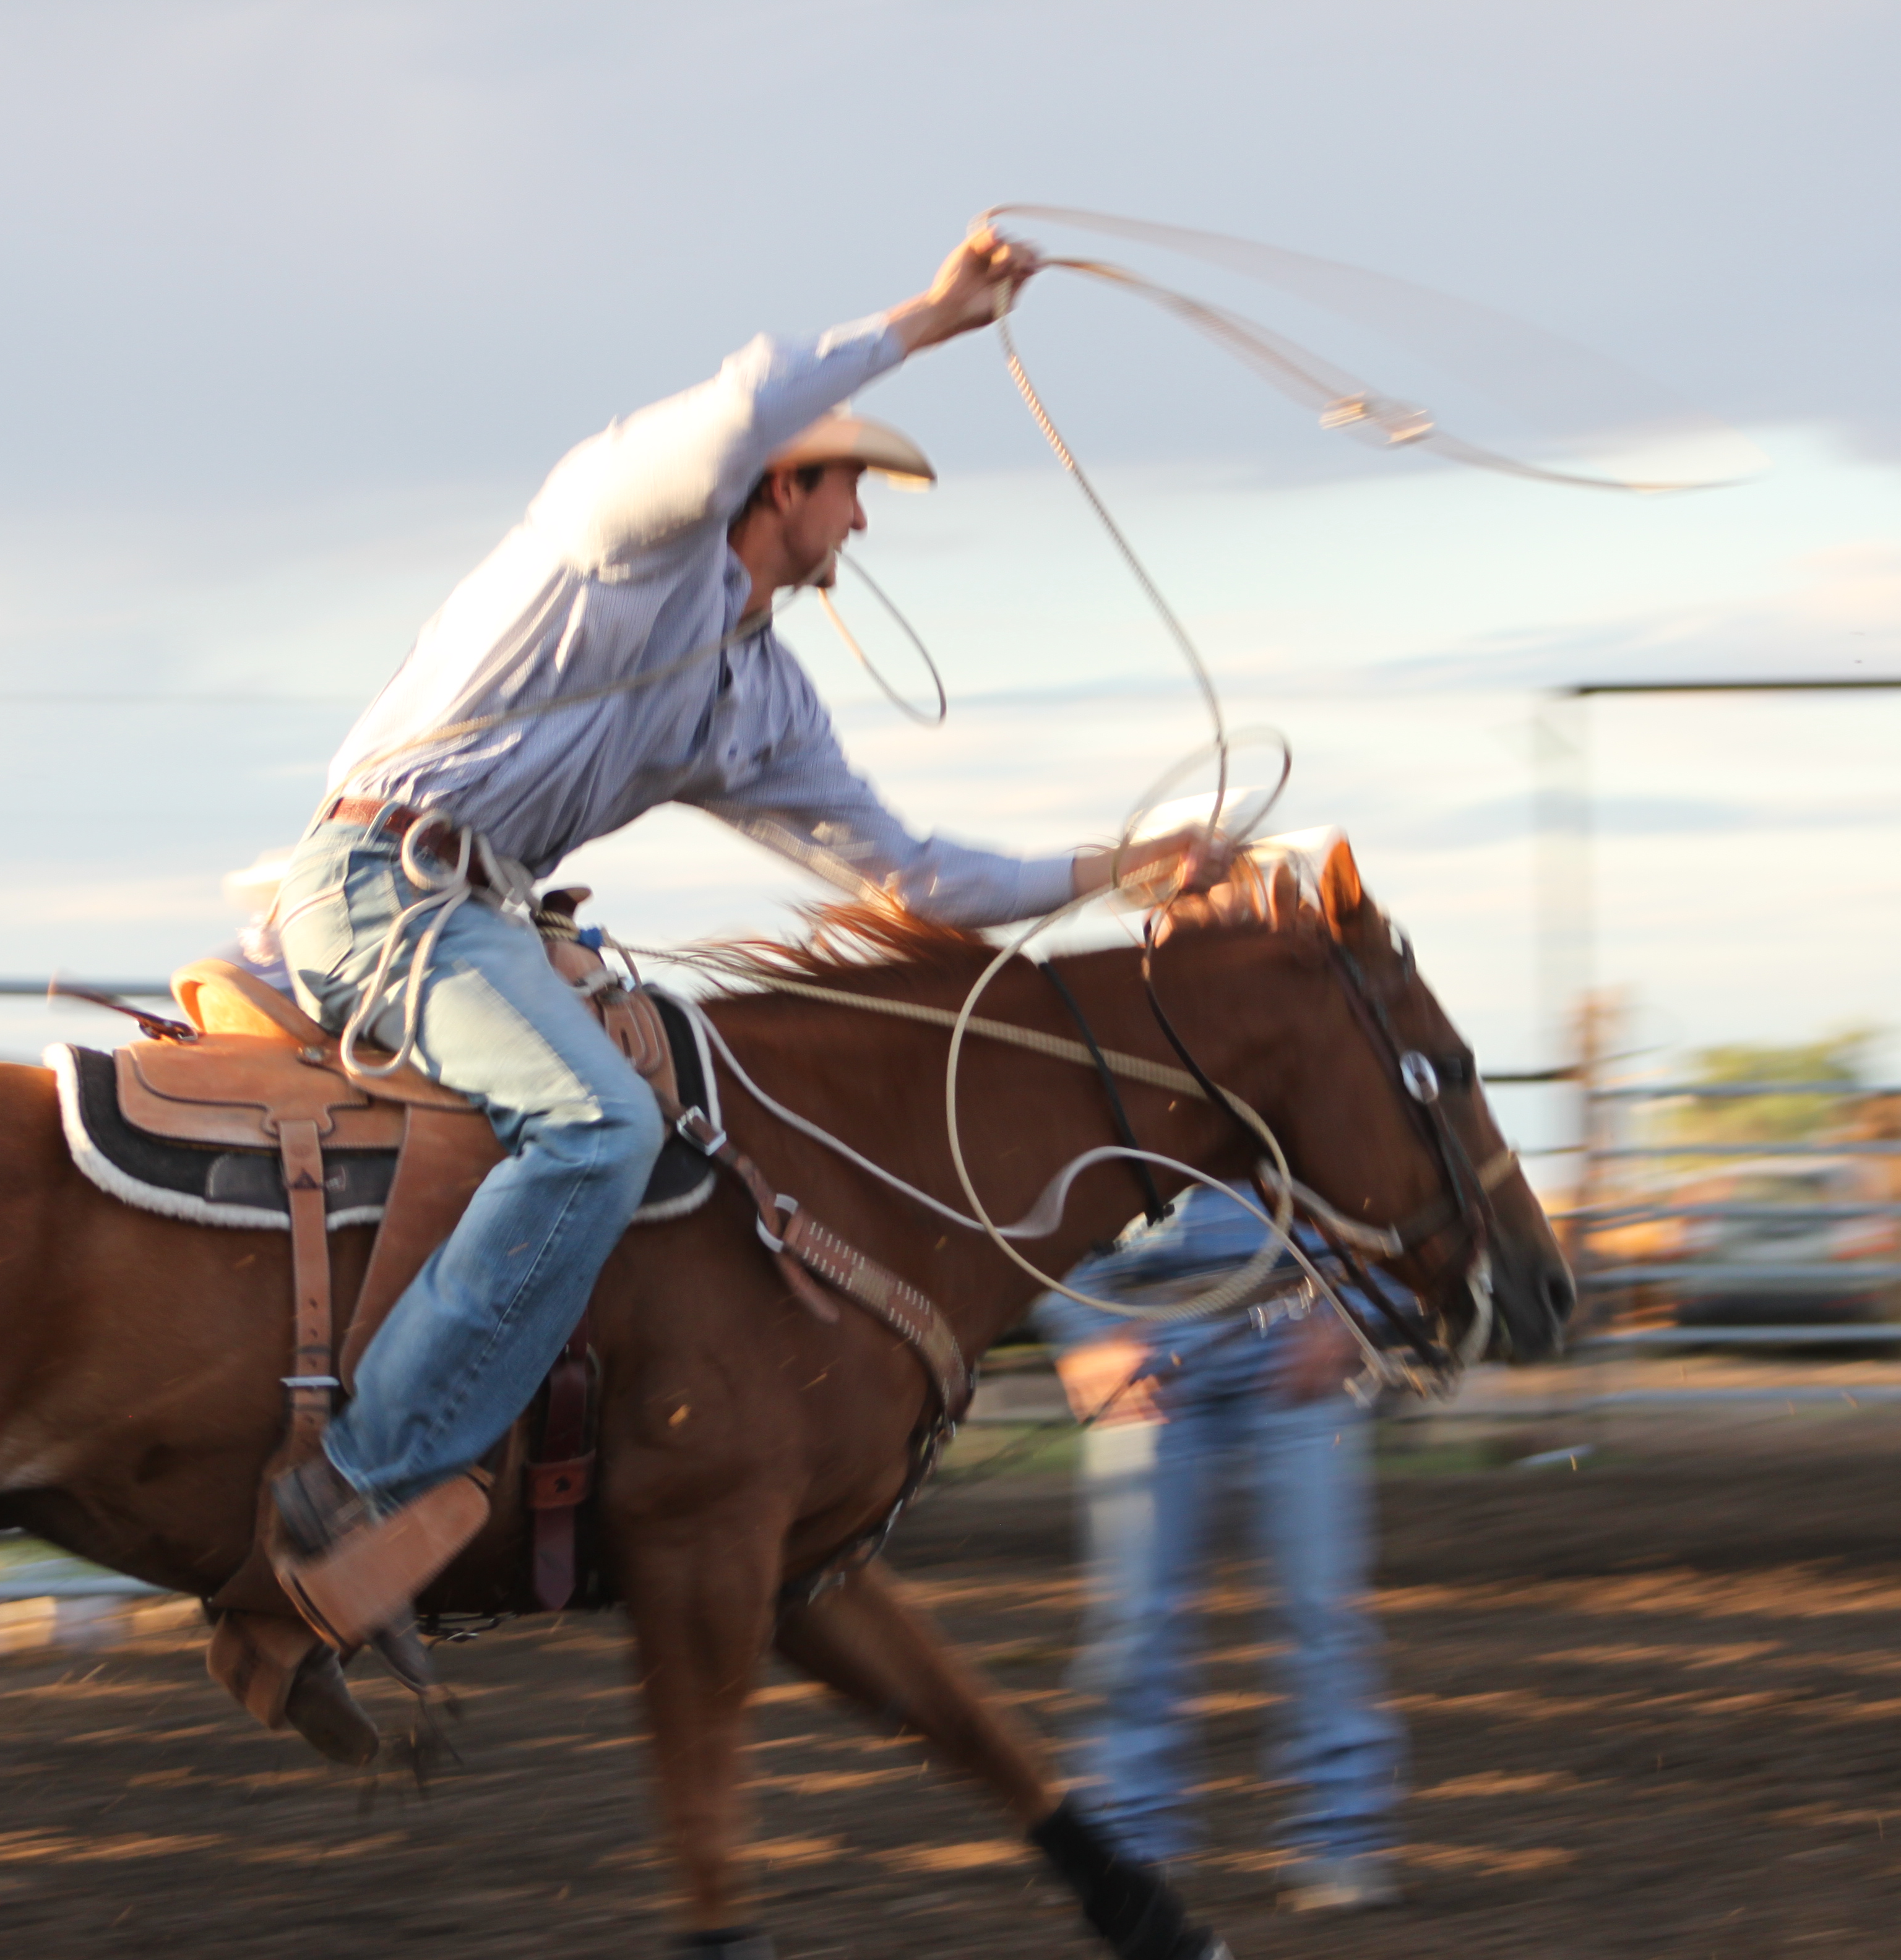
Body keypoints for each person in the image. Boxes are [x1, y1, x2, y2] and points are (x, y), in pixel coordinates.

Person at [261, 228, 1218, 1657]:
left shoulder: (751, 694)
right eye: (852, 487)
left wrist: (1116, 866)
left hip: (458, 902)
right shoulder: (617, 537)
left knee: (657, 1120)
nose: (865, 523)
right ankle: (357, 1486)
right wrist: (934, 316)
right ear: (786, 482)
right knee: (592, 1129)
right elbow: (746, 390)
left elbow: (910, 871)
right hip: (379, 883)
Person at [1032, 1186, 1407, 1914]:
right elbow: (1050, 1187)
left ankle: (1341, 1839)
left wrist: (1353, 1316)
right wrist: (1080, 1328)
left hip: (1301, 1316)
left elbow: (1384, 1172)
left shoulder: (1322, 1068)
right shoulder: (1106, 1071)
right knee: (1135, 1616)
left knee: (1319, 1604)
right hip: (1137, 1331)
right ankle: (1126, 1848)